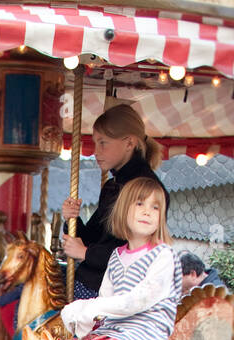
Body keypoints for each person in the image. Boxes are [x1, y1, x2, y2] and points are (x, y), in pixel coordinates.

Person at [59, 176, 181, 340]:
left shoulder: (163, 256)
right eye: (140, 204)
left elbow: (135, 301)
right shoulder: (116, 256)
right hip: (115, 331)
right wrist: (84, 320)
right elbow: (106, 298)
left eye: (155, 207)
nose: (148, 211)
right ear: (124, 209)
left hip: (143, 334)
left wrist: (86, 306)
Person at [60, 102, 168, 300]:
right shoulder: (114, 186)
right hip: (93, 279)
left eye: (103, 142)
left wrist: (85, 253)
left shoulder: (146, 190)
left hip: (112, 288)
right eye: (95, 143)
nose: (96, 151)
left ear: (129, 143)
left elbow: (135, 251)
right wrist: (72, 220)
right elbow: (93, 237)